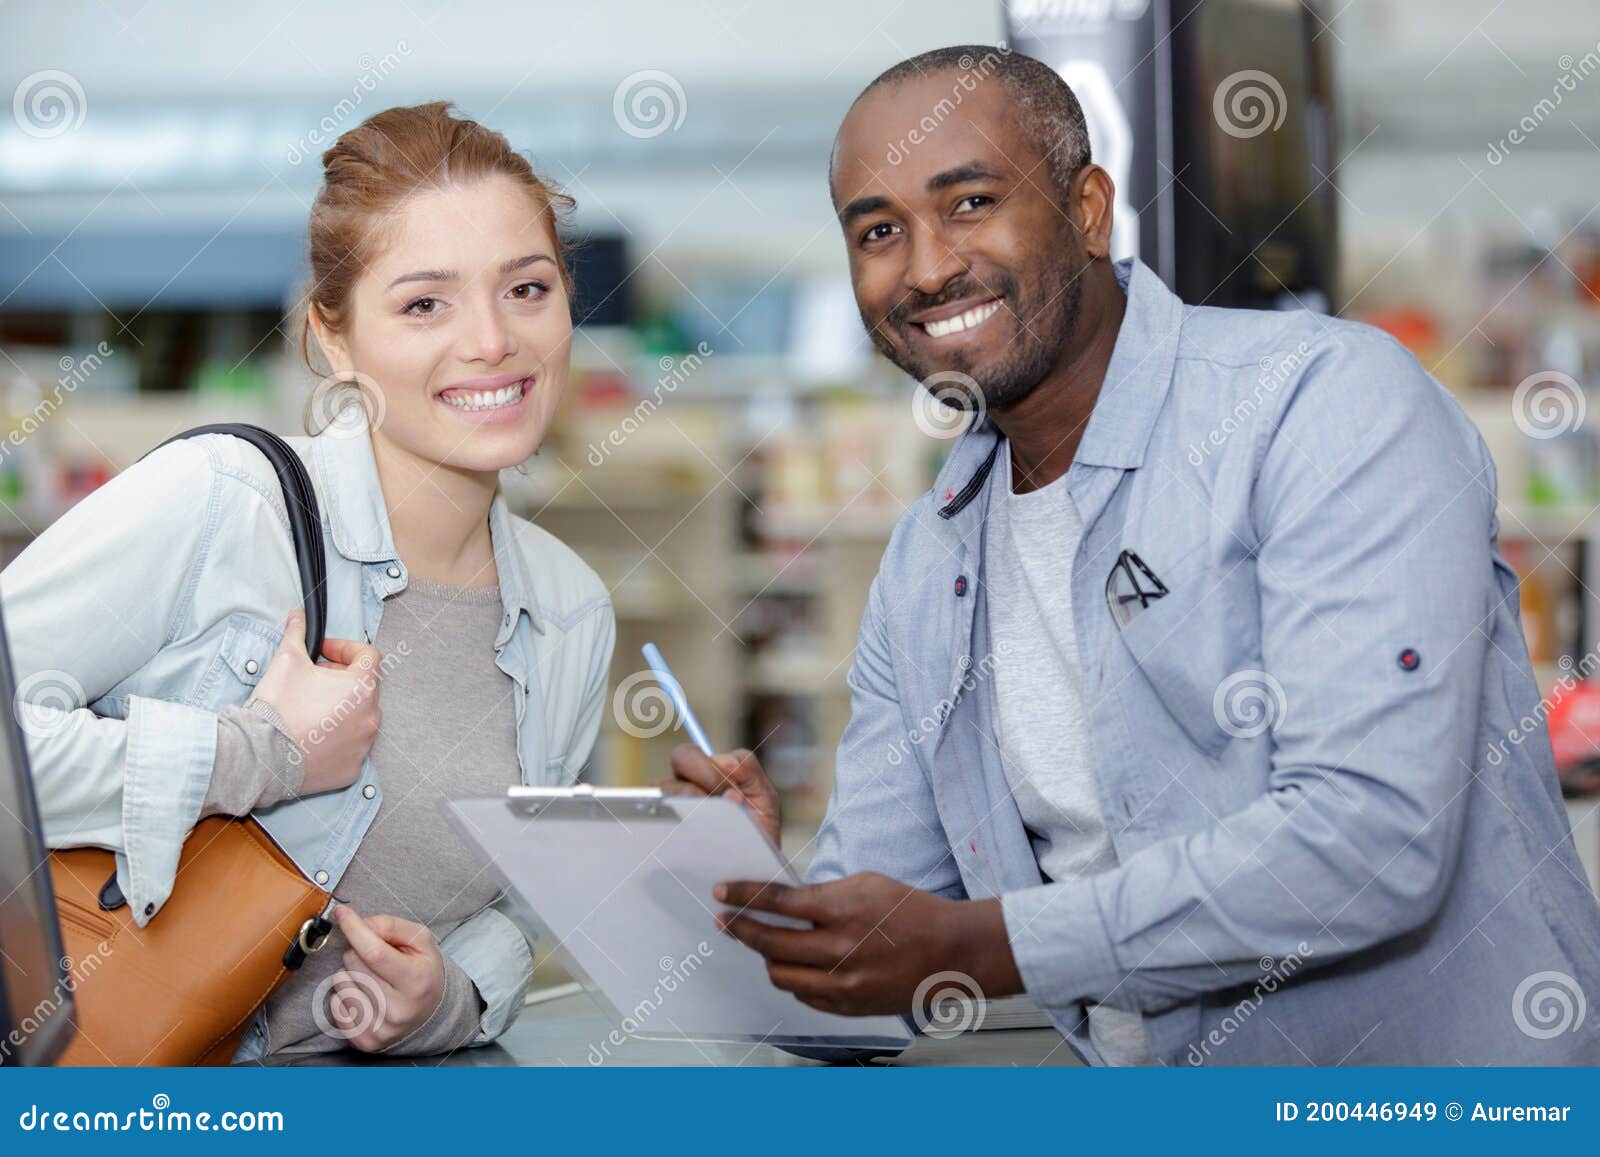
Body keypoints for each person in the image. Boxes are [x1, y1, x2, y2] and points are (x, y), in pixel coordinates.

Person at [667, 46, 1600, 1065]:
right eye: (878, 231)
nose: (927, 267)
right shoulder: (927, 562)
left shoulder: (1319, 404)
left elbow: (1369, 840)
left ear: (1087, 208)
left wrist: (988, 944)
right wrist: (774, 901)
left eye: (971, 201)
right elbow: (875, 990)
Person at [3, 102, 614, 1063]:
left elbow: (512, 906)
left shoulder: (573, 611)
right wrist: (260, 755)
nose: (493, 340)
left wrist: (450, 993)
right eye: (424, 303)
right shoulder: (223, 500)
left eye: (526, 288)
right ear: (334, 337)